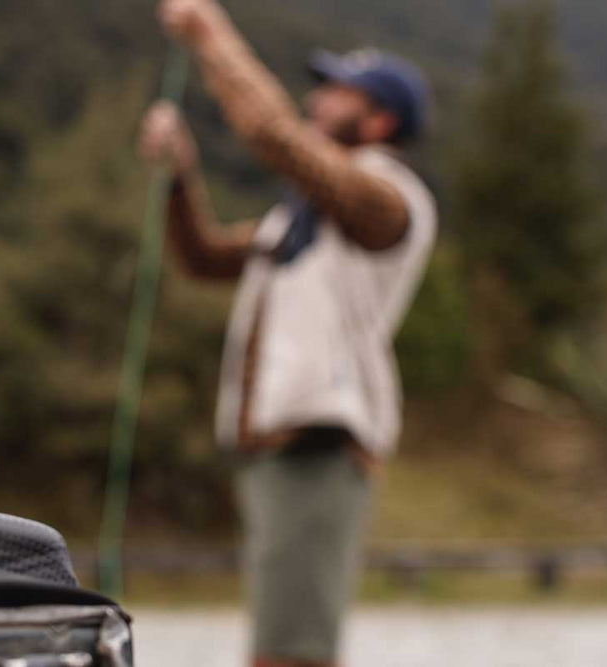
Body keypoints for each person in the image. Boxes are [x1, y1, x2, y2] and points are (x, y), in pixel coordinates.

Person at [138, 1, 437, 665]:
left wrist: (212, 37)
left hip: (319, 446)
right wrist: (181, 175)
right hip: (279, 450)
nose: (318, 100)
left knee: (290, 651)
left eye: (337, 93)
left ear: (379, 119)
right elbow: (205, 258)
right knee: (282, 643)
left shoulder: (388, 199)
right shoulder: (298, 220)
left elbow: (275, 137)